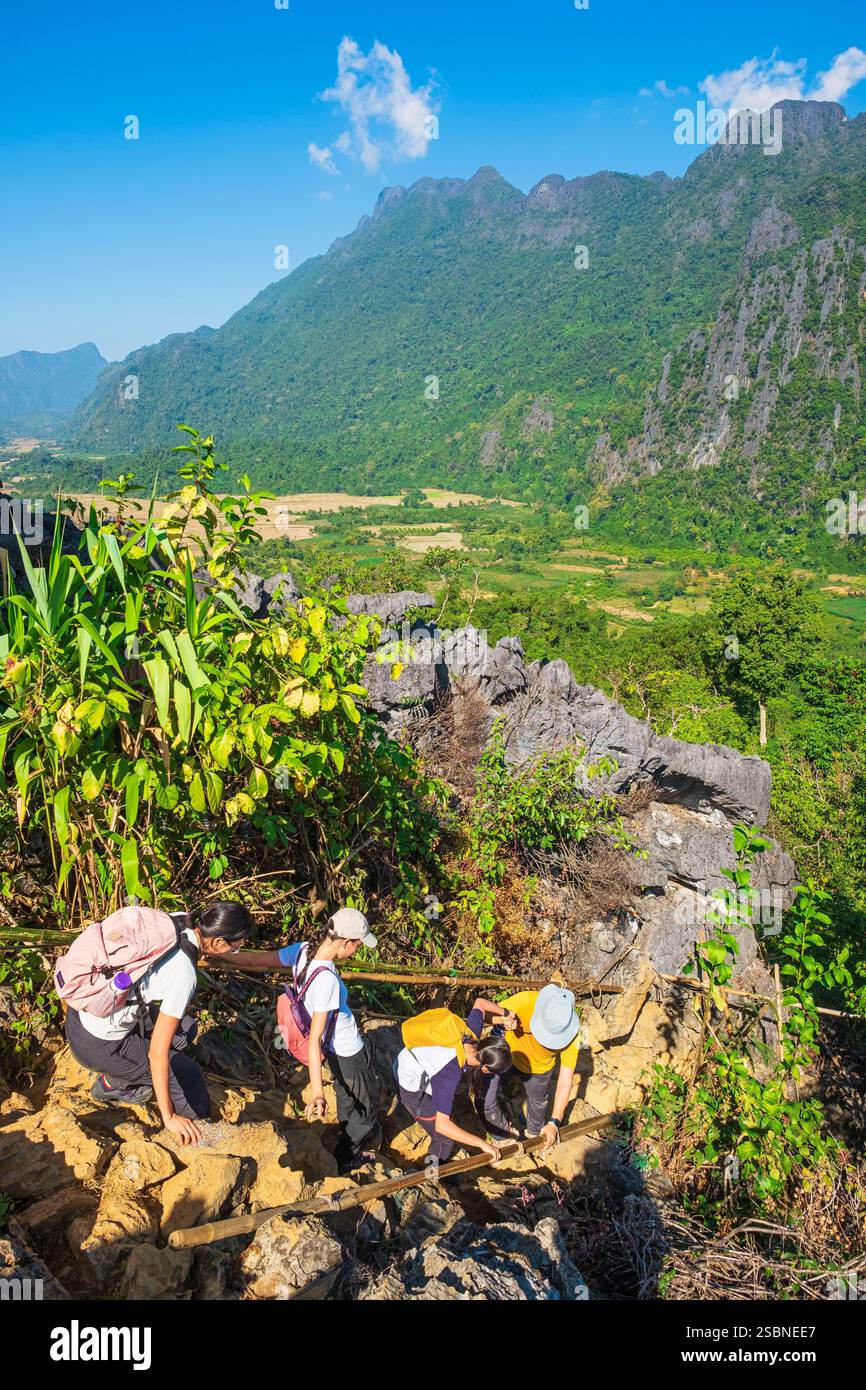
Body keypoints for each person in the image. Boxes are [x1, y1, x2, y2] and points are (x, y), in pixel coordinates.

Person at [65, 901, 252, 1146]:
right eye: (235, 948)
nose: (234, 952)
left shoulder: (177, 921)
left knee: (185, 1029)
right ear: (218, 942)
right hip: (99, 1046)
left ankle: (119, 1079)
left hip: (82, 1011)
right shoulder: (184, 974)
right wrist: (169, 1115)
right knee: (187, 1074)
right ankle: (196, 1140)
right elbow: (157, 1053)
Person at [228, 907, 382, 1173]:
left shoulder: (303, 950)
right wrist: (317, 1094)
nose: (357, 951)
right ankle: (349, 1155)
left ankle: (345, 1134)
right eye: (357, 945)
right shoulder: (327, 980)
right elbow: (314, 1041)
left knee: (344, 1089)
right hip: (346, 1048)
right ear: (346, 942)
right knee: (364, 1104)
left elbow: (254, 960)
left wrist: (217, 952)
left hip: (332, 1048)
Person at [395, 998, 517, 1165]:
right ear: (485, 1069)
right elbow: (442, 1125)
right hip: (410, 1083)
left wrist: (505, 1013)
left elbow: (480, 1003)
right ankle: (431, 1172)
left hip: (413, 1058)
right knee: (444, 1140)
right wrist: (482, 1144)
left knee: (444, 1112)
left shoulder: (471, 1035)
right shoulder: (449, 1073)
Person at [477, 984, 581, 1153]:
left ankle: (534, 1137)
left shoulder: (572, 1033)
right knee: (485, 1098)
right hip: (507, 1055)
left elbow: (565, 1079)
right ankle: (502, 1137)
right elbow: (485, 1014)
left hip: (539, 1069)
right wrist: (501, 1019)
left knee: (538, 1104)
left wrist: (554, 1122)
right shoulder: (525, 1002)